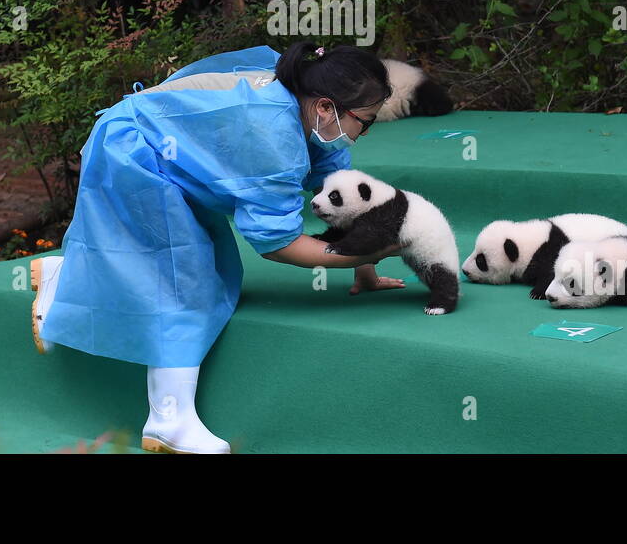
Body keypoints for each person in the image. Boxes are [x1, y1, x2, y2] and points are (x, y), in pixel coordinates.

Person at [30, 41, 407, 453]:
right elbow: (278, 244)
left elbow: (336, 185)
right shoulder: (273, 133)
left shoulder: (304, 98)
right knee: (185, 283)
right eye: (365, 122)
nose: (364, 133)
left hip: (162, 144)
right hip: (131, 153)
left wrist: (363, 264)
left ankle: (63, 275)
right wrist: (363, 254)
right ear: (325, 108)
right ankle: (167, 421)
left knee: (219, 267)